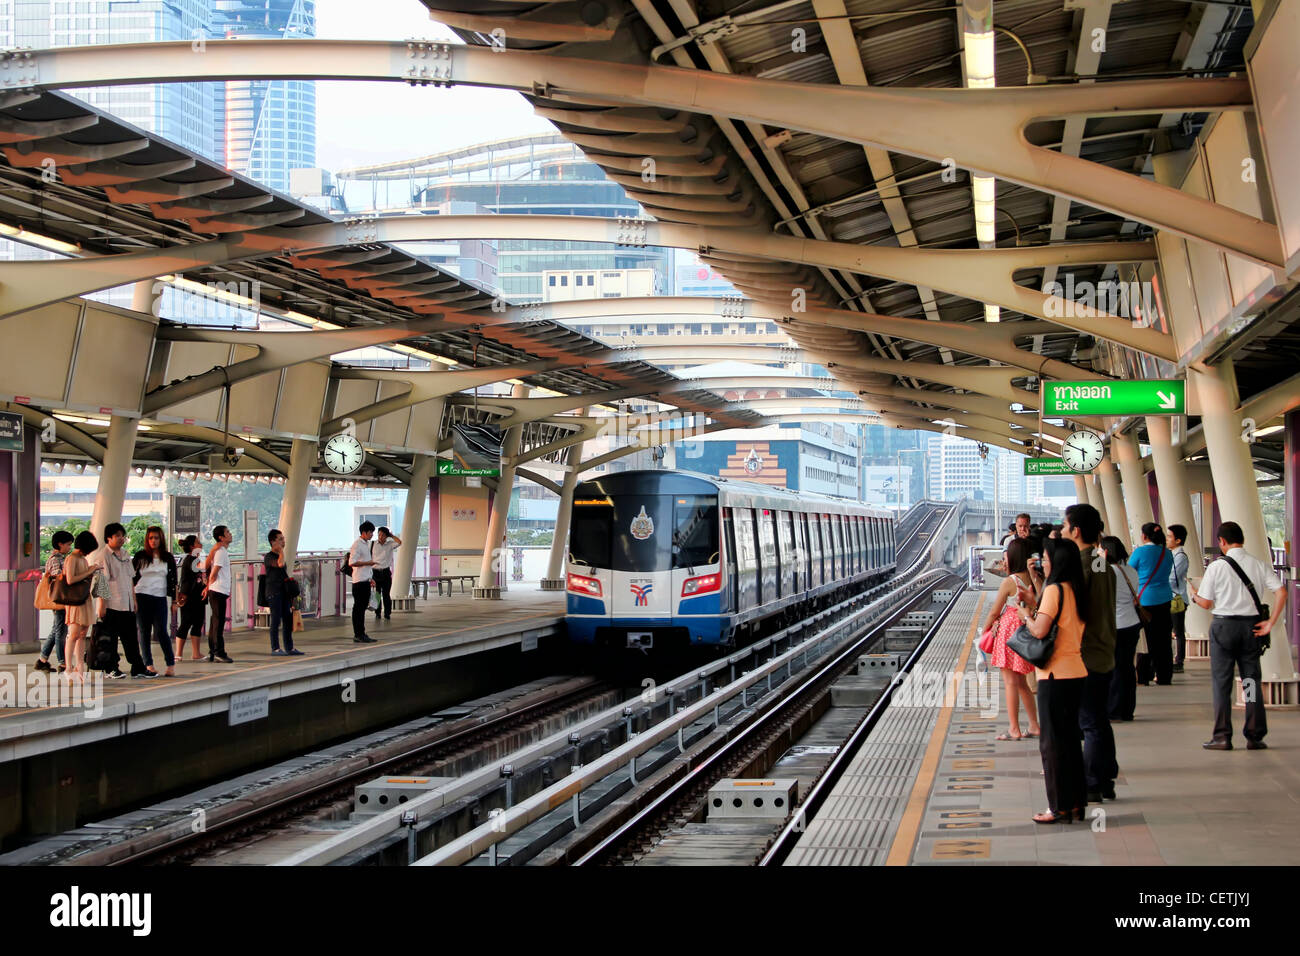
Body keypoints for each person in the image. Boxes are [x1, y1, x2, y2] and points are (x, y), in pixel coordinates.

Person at [1189, 521, 1287, 751]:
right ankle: (1254, 735)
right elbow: (1281, 591)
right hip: (1251, 628)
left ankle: (1222, 736)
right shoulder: (1258, 565)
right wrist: (1271, 622)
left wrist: (1193, 595)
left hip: (1224, 628)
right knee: (1251, 680)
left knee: (1222, 684)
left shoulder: (1216, 567)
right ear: (1241, 539)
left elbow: (1206, 603)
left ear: (1221, 542)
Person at [1015, 538, 1089, 824]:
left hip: (1054, 675)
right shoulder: (1075, 589)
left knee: (1052, 745)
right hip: (1076, 672)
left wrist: (1024, 614)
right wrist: (1037, 601)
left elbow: (1039, 630)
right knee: (1071, 742)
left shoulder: (1055, 590)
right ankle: (1075, 805)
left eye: (1045, 558)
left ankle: (1057, 807)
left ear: (1056, 561)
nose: (1042, 562)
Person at [1062, 503, 1117, 804]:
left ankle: (1094, 783)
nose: (1062, 529)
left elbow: (1074, 612)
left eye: (1065, 525)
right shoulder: (1102, 562)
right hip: (1105, 649)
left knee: (1090, 723)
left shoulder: (1083, 566)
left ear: (1077, 530)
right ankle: (1106, 778)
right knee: (1098, 719)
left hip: (1086, 655)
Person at [978, 537, 1040, 741]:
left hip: (1009, 633)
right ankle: (1034, 725)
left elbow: (994, 612)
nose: (1004, 562)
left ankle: (1014, 728)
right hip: (1026, 631)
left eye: (1005, 558)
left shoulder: (1009, 581)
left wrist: (984, 632)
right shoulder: (1034, 578)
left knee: (1010, 682)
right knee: (1021, 682)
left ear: (1013, 558)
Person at [96, 522, 150, 678]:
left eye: (122, 535)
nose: (121, 539)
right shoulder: (104, 556)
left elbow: (131, 579)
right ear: (108, 538)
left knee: (131, 638)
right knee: (111, 639)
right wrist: (102, 605)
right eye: (117, 536)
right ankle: (111, 668)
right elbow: (102, 582)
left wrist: (134, 600)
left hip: (127, 604)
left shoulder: (125, 555)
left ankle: (137, 667)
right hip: (112, 604)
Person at [1101, 536, 1142, 722]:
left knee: (1114, 668)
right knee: (1126, 667)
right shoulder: (1131, 571)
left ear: (1106, 552)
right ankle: (1127, 709)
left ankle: (1115, 710)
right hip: (1132, 623)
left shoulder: (1106, 571)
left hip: (1114, 624)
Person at [1129, 522, 1174, 685]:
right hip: (1164, 599)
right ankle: (1164, 675)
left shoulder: (1140, 552)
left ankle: (1144, 675)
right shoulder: (1167, 553)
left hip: (1144, 601)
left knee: (1145, 639)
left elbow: (1129, 572)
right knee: (1163, 639)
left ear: (1144, 536)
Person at [132, 526, 177, 677]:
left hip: (160, 597)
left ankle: (170, 664)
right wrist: (132, 599)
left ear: (161, 539)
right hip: (142, 596)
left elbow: (173, 580)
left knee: (161, 631)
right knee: (144, 632)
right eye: (150, 538)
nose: (153, 541)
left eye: (156, 538)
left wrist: (175, 601)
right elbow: (132, 579)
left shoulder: (167, 557)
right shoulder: (140, 556)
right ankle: (148, 664)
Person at [61, 530, 101, 681]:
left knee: (82, 633)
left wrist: (91, 572)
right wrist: (90, 570)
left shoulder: (82, 559)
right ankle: (69, 667)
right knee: (74, 633)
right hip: (75, 601)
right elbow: (70, 580)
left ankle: (80, 666)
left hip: (84, 599)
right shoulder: (72, 559)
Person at [35, 530, 74, 673]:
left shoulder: (60, 558)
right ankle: (62, 663)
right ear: (60, 544)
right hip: (59, 599)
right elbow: (59, 577)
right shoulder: (55, 559)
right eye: (68, 544)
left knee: (56, 629)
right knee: (60, 632)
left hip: (61, 599)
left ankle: (42, 660)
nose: (69, 547)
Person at [264, 529, 302, 656]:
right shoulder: (269, 557)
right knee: (275, 620)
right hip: (274, 592)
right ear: (272, 541)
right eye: (280, 539)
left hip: (283, 592)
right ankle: (275, 648)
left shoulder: (280, 555)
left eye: (283, 539)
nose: (283, 541)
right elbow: (280, 564)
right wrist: (280, 551)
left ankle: (289, 647)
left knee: (287, 619)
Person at [203, 525, 234, 663]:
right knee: (218, 622)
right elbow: (214, 573)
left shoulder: (220, 551)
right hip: (218, 590)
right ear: (221, 537)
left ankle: (212, 651)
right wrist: (209, 586)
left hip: (217, 590)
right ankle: (218, 652)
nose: (230, 533)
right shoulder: (221, 552)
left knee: (215, 621)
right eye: (227, 532)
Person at [175, 535, 206, 661]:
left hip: (198, 596)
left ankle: (196, 653)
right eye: (198, 542)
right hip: (189, 597)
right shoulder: (190, 559)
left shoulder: (196, 559)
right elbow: (199, 568)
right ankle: (178, 653)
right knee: (186, 623)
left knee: (198, 623)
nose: (201, 544)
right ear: (193, 546)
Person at [348, 521, 378, 644]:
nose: (372, 535)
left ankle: (361, 633)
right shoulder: (357, 545)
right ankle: (358, 634)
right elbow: (352, 562)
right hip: (359, 582)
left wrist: (371, 577)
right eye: (371, 532)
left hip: (365, 580)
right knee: (358, 609)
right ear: (364, 532)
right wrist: (368, 563)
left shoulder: (365, 544)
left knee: (361, 608)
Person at [1167, 524, 1190, 673]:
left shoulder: (1180, 557)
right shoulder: (1172, 555)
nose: (1167, 539)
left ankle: (1179, 660)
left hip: (1178, 599)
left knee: (1178, 630)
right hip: (1173, 598)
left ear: (1178, 540)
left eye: (1170, 536)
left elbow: (1172, 579)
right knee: (1173, 629)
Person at [370, 526, 402, 621]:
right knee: (377, 594)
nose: (380, 536)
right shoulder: (372, 544)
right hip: (375, 572)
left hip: (386, 572)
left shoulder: (390, 544)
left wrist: (391, 535)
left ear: (386, 536)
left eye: (383, 535)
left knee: (386, 594)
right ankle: (377, 613)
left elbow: (399, 542)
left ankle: (387, 613)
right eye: (379, 534)